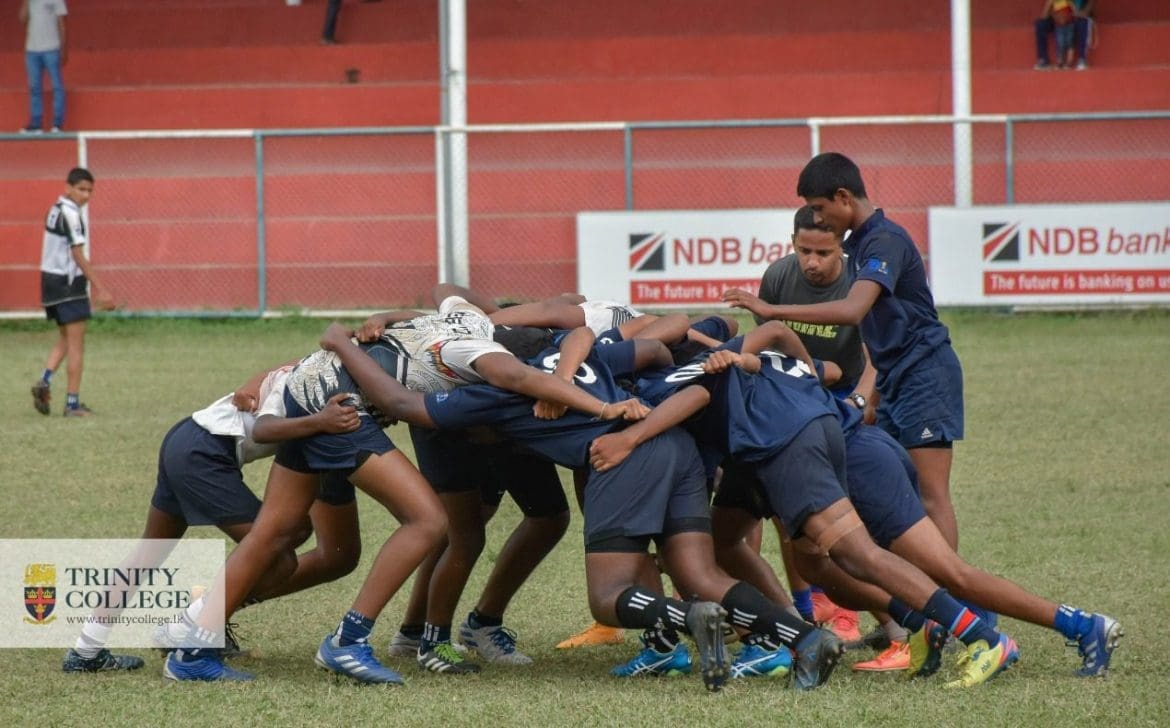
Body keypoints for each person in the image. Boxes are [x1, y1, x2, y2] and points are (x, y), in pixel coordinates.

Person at [325, 321, 846, 692]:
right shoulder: (573, 356)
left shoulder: (492, 392)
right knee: (700, 573)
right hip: (673, 443)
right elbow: (595, 335)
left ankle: (689, 616)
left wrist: (341, 344)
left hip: (622, 456)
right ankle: (805, 639)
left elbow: (400, 404)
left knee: (608, 597)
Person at [166, 301, 645, 683]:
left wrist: (378, 320)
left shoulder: (463, 318)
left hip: (308, 389)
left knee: (274, 531)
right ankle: (348, 642)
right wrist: (604, 410)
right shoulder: (478, 350)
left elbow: (430, 309)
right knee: (429, 521)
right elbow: (518, 376)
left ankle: (191, 647)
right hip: (338, 406)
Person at [689, 338, 1123, 685]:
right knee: (807, 563)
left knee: (948, 573)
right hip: (809, 449)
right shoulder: (726, 370)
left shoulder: (710, 369)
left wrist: (847, 395)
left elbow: (817, 358)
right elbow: (824, 368)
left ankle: (1080, 626)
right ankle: (916, 621)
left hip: (857, 457)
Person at [724, 152, 964, 554]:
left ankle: (954, 591)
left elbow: (853, 310)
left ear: (843, 197)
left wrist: (773, 311)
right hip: (893, 377)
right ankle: (920, 590)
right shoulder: (862, 243)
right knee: (895, 494)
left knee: (929, 495)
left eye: (819, 208)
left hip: (924, 373)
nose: (818, 218)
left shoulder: (884, 241)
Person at [65, 364, 363, 675]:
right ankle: (188, 624)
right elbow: (263, 430)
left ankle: (86, 650)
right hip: (203, 453)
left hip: (186, 437)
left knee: (148, 553)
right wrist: (320, 421)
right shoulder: (317, 377)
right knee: (281, 559)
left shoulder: (317, 368)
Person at [750, 204, 879, 648]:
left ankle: (848, 613)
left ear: (841, 247)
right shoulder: (777, 278)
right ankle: (808, 607)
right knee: (787, 508)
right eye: (804, 250)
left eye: (823, 253)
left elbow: (878, 355)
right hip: (797, 398)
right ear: (792, 244)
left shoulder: (859, 280)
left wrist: (860, 402)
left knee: (846, 513)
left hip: (849, 398)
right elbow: (770, 347)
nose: (812, 262)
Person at [32, 167, 114, 417]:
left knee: (66, 338)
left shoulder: (55, 208)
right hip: (68, 284)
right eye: (81, 189)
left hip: (50, 281)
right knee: (77, 345)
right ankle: (72, 404)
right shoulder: (70, 214)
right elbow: (77, 253)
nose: (85, 195)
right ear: (68, 188)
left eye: (89, 190)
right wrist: (101, 288)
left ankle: (45, 380)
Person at [19, 0, 67, 133]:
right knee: (34, 87)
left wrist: (64, 48)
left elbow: (62, 23)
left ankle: (57, 124)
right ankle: (36, 123)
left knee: (57, 86)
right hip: (32, 49)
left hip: (52, 48)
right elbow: (22, 19)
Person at [1035, 0, 1095, 70]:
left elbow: (1087, 7)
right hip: (1058, 21)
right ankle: (1043, 60)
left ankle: (1082, 60)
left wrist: (1083, 13)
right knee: (1040, 24)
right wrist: (1050, 4)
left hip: (1076, 18)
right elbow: (1044, 16)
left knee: (1083, 23)